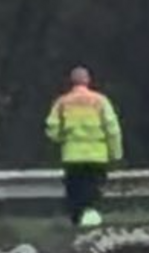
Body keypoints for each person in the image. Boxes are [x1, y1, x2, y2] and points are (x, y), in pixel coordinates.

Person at [44, 66, 123, 227]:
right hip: (97, 156)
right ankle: (92, 222)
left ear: (71, 82)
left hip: (72, 156)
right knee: (93, 193)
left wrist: (63, 140)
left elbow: (52, 129)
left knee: (75, 194)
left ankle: (77, 225)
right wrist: (116, 154)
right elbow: (112, 129)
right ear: (88, 81)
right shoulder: (100, 101)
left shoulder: (63, 102)